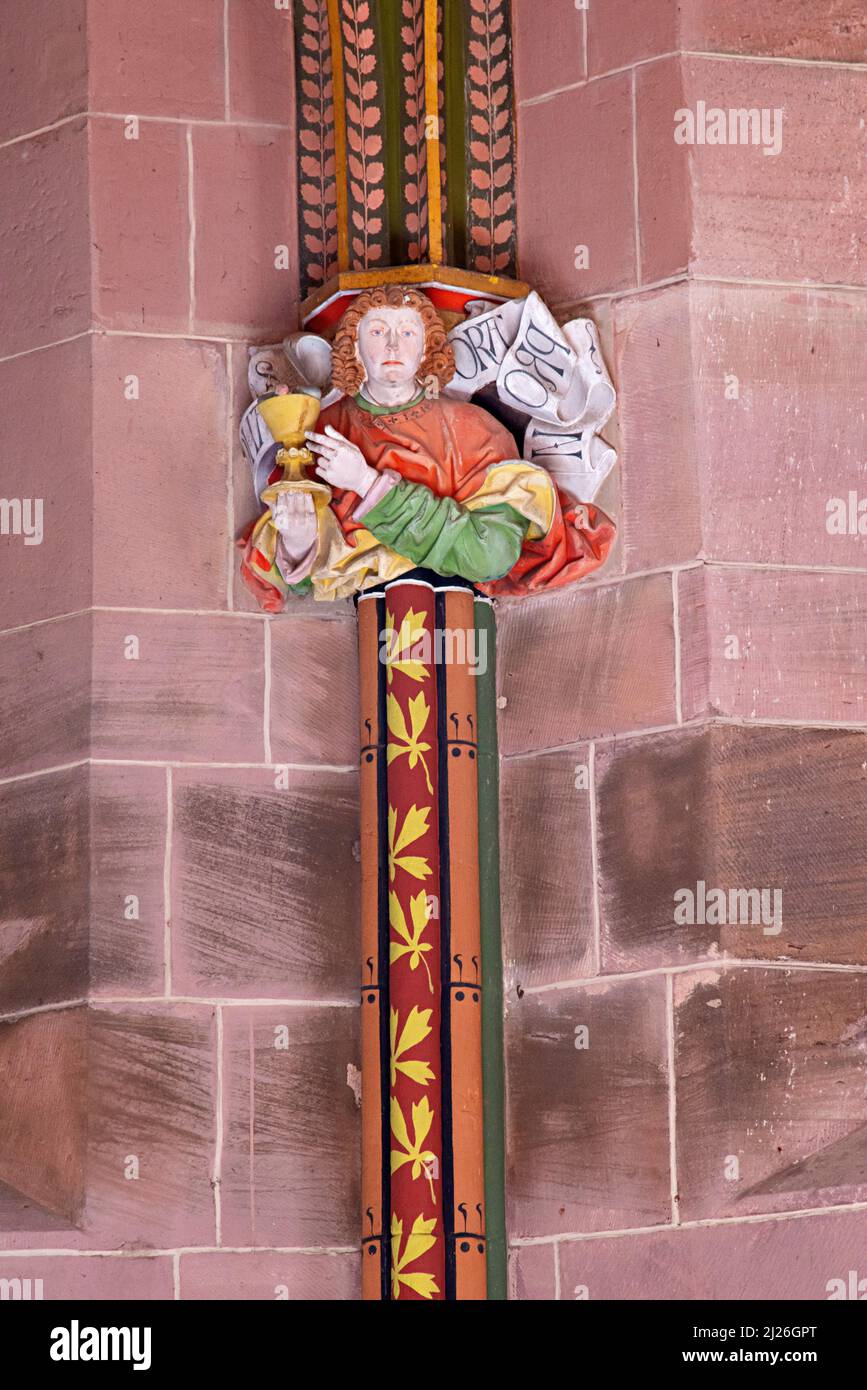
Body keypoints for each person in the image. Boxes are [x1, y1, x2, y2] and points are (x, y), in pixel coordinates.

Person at [240, 285, 614, 607]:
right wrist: (300, 543)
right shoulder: (323, 431)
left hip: (456, 616)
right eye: (377, 331)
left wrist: (369, 485)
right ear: (353, 348)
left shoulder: (473, 428)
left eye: (406, 333)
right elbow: (299, 576)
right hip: (375, 619)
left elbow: (491, 554)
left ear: (425, 350)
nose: (391, 344)